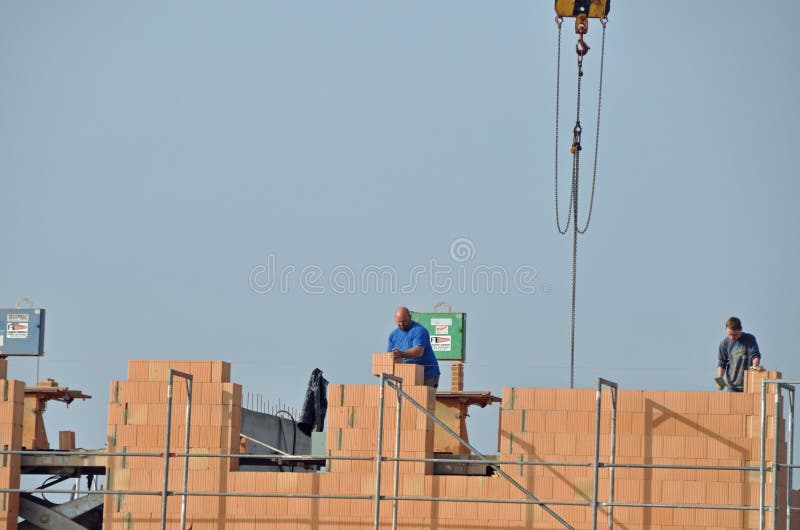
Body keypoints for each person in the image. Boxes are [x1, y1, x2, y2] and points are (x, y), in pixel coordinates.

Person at [387, 306, 441, 388]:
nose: (401, 324)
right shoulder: (393, 335)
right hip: (407, 375)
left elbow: (418, 351)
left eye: (404, 321)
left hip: (427, 375)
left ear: (410, 317)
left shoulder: (419, 330)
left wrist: (400, 354)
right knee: (405, 396)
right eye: (399, 322)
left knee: (422, 396)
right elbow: (390, 356)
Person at [717, 316, 762, 392]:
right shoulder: (724, 344)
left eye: (734, 335)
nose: (732, 337)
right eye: (729, 334)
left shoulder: (749, 339)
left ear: (740, 329)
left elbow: (755, 356)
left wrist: (755, 368)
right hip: (732, 386)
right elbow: (722, 364)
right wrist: (719, 381)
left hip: (748, 384)